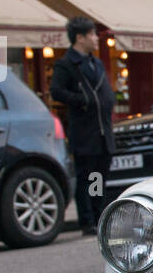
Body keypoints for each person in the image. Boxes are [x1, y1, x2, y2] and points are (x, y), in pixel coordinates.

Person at [50, 16, 116, 234]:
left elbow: (103, 89)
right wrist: (82, 100)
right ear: (80, 38)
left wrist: (109, 101)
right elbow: (56, 91)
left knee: (99, 177)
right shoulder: (66, 64)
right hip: (85, 132)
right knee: (87, 177)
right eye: (92, 34)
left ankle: (99, 216)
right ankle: (88, 220)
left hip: (103, 131)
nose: (96, 38)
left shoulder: (95, 62)